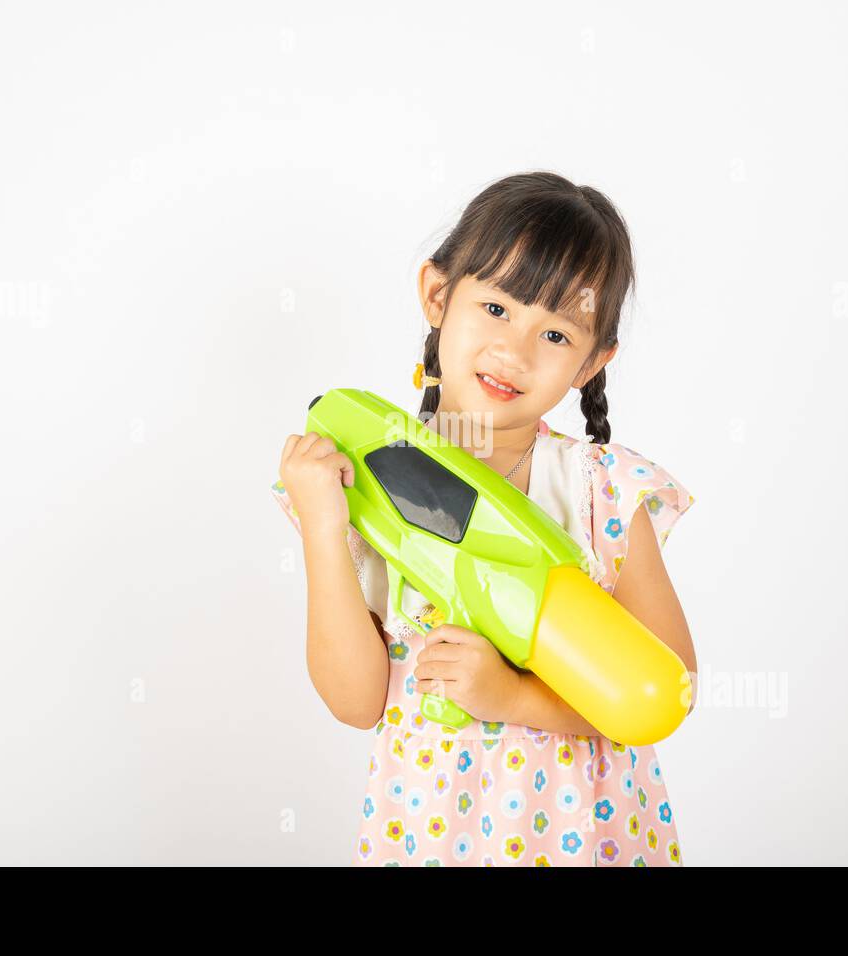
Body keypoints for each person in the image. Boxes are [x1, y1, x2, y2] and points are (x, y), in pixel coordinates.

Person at [272, 171, 697, 866]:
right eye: (497, 308)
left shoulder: (604, 492)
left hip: (582, 837)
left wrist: (516, 698)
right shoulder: (361, 486)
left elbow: (668, 689)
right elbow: (355, 702)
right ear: (438, 295)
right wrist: (324, 527)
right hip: (430, 834)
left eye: (556, 333)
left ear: (594, 362)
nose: (515, 350)